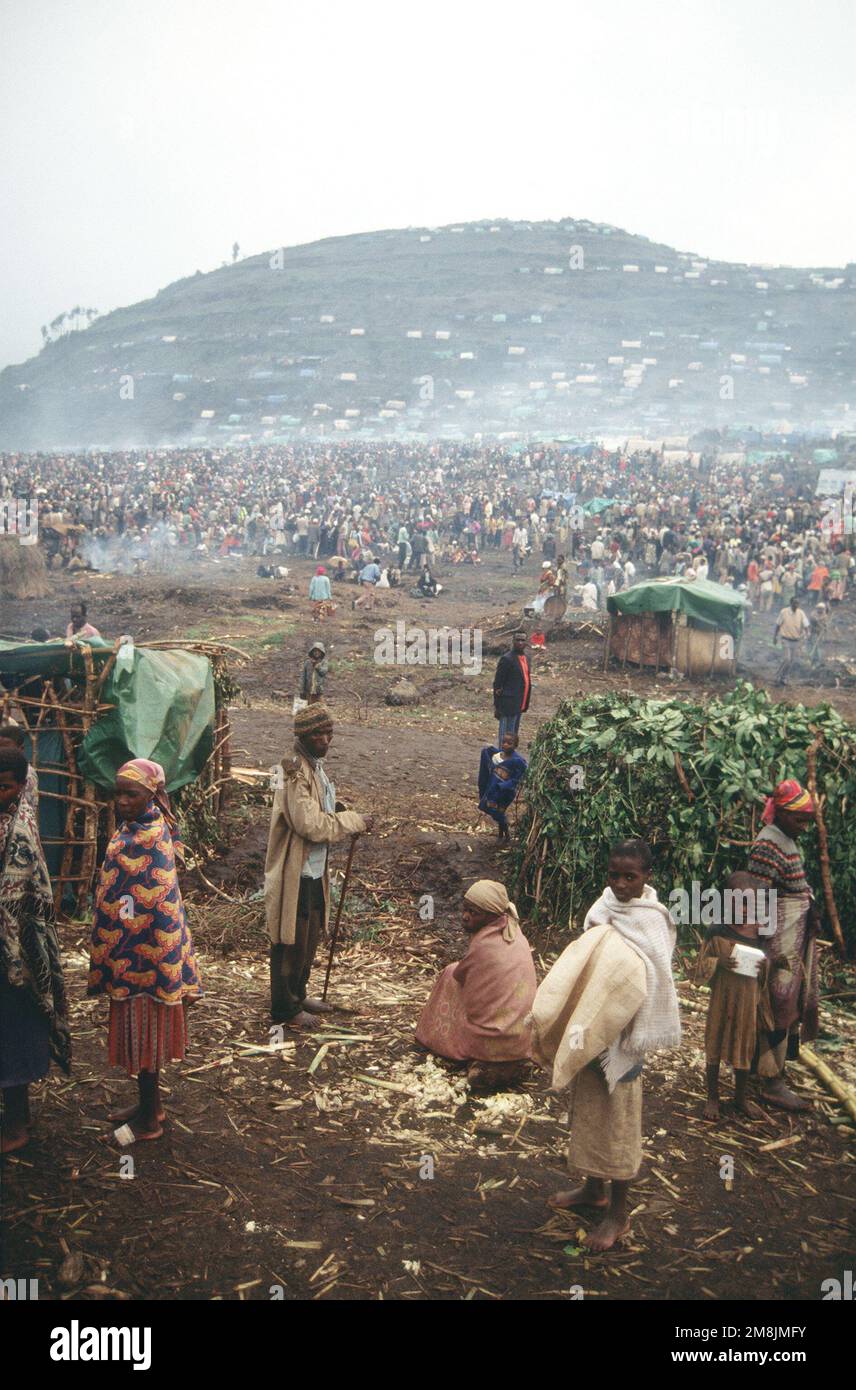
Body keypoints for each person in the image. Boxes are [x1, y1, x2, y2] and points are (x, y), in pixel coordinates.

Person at [530, 839, 681, 1251]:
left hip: (625, 1038)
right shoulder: (603, 906)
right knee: (591, 1108)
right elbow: (587, 959)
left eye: (630, 876)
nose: (619, 884)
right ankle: (592, 1188)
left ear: (647, 877)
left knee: (619, 1120)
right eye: (613, 874)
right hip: (592, 1028)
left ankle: (618, 1212)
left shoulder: (653, 920)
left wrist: (625, 1025)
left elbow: (653, 979)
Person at [87, 759, 200, 1142]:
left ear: (151, 794)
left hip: (146, 958)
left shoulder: (149, 836)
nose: (121, 800)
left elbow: (152, 905)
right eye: (117, 793)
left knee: (144, 1030)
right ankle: (149, 1105)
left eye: (130, 793)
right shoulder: (138, 826)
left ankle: (149, 1120)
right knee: (142, 1031)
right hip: (135, 952)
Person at [264, 706, 372, 1028]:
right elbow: (308, 824)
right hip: (294, 868)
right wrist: (351, 821)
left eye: (329, 734)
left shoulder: (315, 766)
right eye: (317, 734)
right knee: (289, 937)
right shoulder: (293, 770)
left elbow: (318, 807)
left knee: (308, 936)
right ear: (302, 736)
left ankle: (298, 994)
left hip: (312, 866)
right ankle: (284, 1007)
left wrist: (337, 810)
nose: (325, 740)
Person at [0, 747, 71, 1153]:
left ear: (22, 786)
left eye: (5, 786)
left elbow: (24, 899)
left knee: (12, 1032)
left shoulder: (20, 832)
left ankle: (17, 1123)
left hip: (18, 957)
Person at [415, 879, 536, 1091]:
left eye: (474, 912)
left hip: (492, 1039)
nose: (465, 916)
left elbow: (462, 976)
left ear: (492, 916)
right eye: (465, 909)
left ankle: (435, 1038)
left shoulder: (484, 946)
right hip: (521, 1038)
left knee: (449, 974)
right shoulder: (515, 932)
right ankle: (510, 1059)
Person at [746, 780, 819, 1112]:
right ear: (781, 814)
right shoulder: (768, 844)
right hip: (776, 940)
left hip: (790, 936)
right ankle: (771, 1081)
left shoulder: (785, 839)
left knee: (786, 1003)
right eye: (798, 819)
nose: (803, 827)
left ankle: (767, 1070)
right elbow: (756, 895)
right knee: (777, 1002)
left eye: (807, 821)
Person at [696, 871, 772, 1121]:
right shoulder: (717, 930)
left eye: (749, 903)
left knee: (744, 1044)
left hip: (748, 999)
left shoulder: (760, 933)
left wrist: (765, 967)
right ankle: (712, 1097)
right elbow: (700, 966)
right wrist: (718, 963)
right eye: (735, 900)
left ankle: (740, 1097)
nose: (742, 908)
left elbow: (769, 963)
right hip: (723, 998)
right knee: (715, 1040)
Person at [477, 733, 527, 840]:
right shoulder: (497, 756)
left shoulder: (517, 761)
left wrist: (503, 785)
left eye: (510, 743)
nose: (505, 745)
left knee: (500, 812)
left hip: (505, 792)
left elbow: (517, 779)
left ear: (515, 745)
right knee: (496, 811)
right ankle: (501, 835)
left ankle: (506, 835)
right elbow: (491, 769)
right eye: (504, 742)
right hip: (494, 791)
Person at [492, 631, 531, 743]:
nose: (520, 642)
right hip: (507, 703)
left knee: (513, 734)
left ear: (526, 643)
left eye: (522, 640)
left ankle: (509, 756)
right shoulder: (507, 659)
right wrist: (497, 705)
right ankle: (502, 757)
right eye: (517, 640)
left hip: (520, 702)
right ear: (513, 642)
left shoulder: (527, 659)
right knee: (505, 735)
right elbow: (497, 684)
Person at [0, 723, 38, 814]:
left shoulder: (26, 773)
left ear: (21, 749)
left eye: (6, 748)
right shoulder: (5, 769)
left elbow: (26, 805)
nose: (1, 751)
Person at [773, 596, 810, 685]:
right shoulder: (784, 612)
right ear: (791, 603)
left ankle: (784, 677)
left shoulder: (801, 613)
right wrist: (774, 637)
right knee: (787, 659)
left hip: (796, 640)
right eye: (795, 603)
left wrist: (808, 632)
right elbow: (778, 625)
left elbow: (806, 625)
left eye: (798, 603)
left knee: (791, 661)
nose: (796, 605)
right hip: (786, 639)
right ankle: (778, 676)